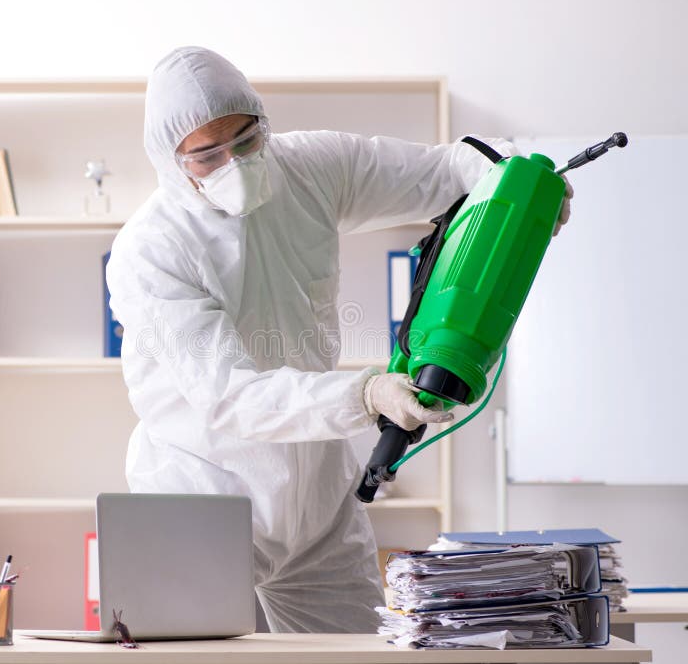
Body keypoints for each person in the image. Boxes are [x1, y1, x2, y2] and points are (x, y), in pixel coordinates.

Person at [106, 46, 571, 634]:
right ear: (170, 161)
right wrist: (367, 395)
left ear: (262, 124)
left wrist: (520, 187)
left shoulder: (308, 166)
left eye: (246, 141)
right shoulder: (151, 251)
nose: (236, 164)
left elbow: (446, 171)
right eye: (207, 156)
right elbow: (231, 395)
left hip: (319, 501)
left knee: (356, 649)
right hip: (201, 500)